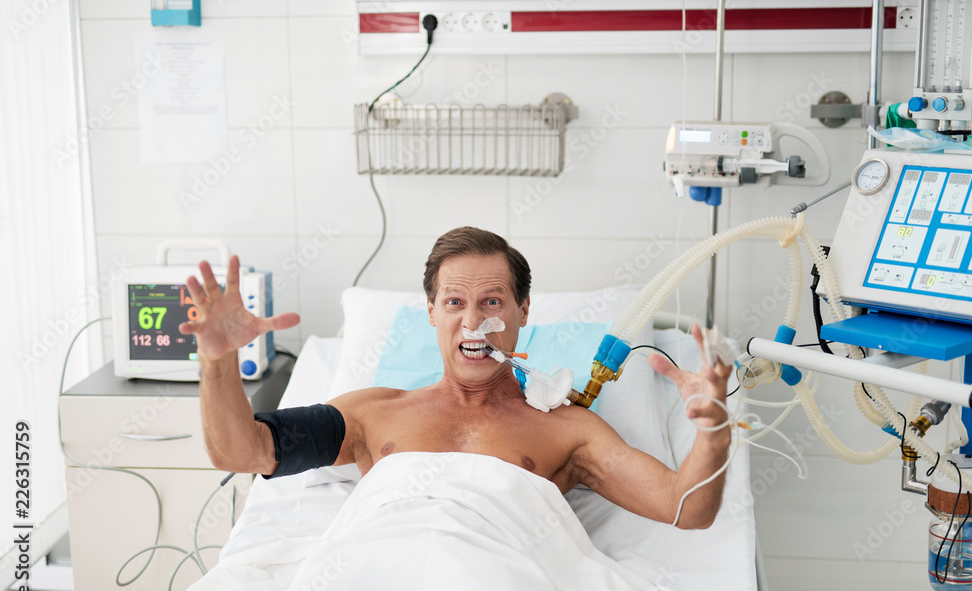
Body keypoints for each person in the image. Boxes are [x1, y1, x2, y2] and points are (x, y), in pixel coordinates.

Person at [181, 227, 732, 529]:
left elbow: (684, 508)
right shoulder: (372, 413)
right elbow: (243, 452)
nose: (474, 322)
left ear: (523, 311)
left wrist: (714, 432)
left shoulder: (570, 431)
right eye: (455, 302)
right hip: (371, 585)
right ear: (431, 312)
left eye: (492, 301)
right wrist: (217, 360)